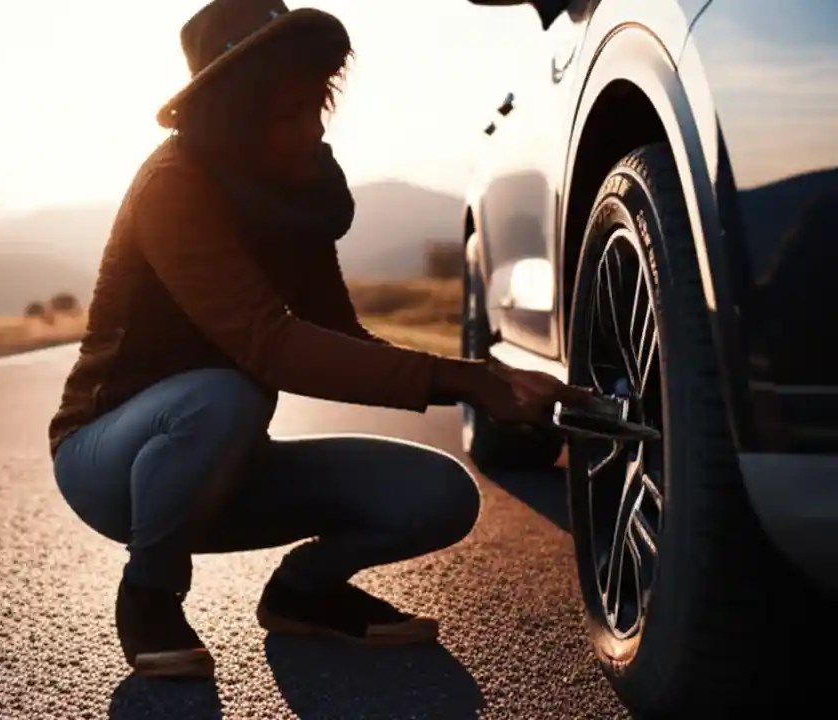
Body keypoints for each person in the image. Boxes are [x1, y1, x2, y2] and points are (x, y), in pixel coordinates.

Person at [48, 0, 592, 679]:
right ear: (233, 118)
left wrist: (490, 380)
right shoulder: (173, 187)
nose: (312, 130)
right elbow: (268, 345)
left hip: (228, 455)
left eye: (316, 107)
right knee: (225, 396)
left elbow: (341, 340)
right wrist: (464, 381)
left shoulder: (288, 195)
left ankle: (304, 592)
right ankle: (150, 592)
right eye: (286, 114)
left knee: (442, 496)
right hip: (108, 463)